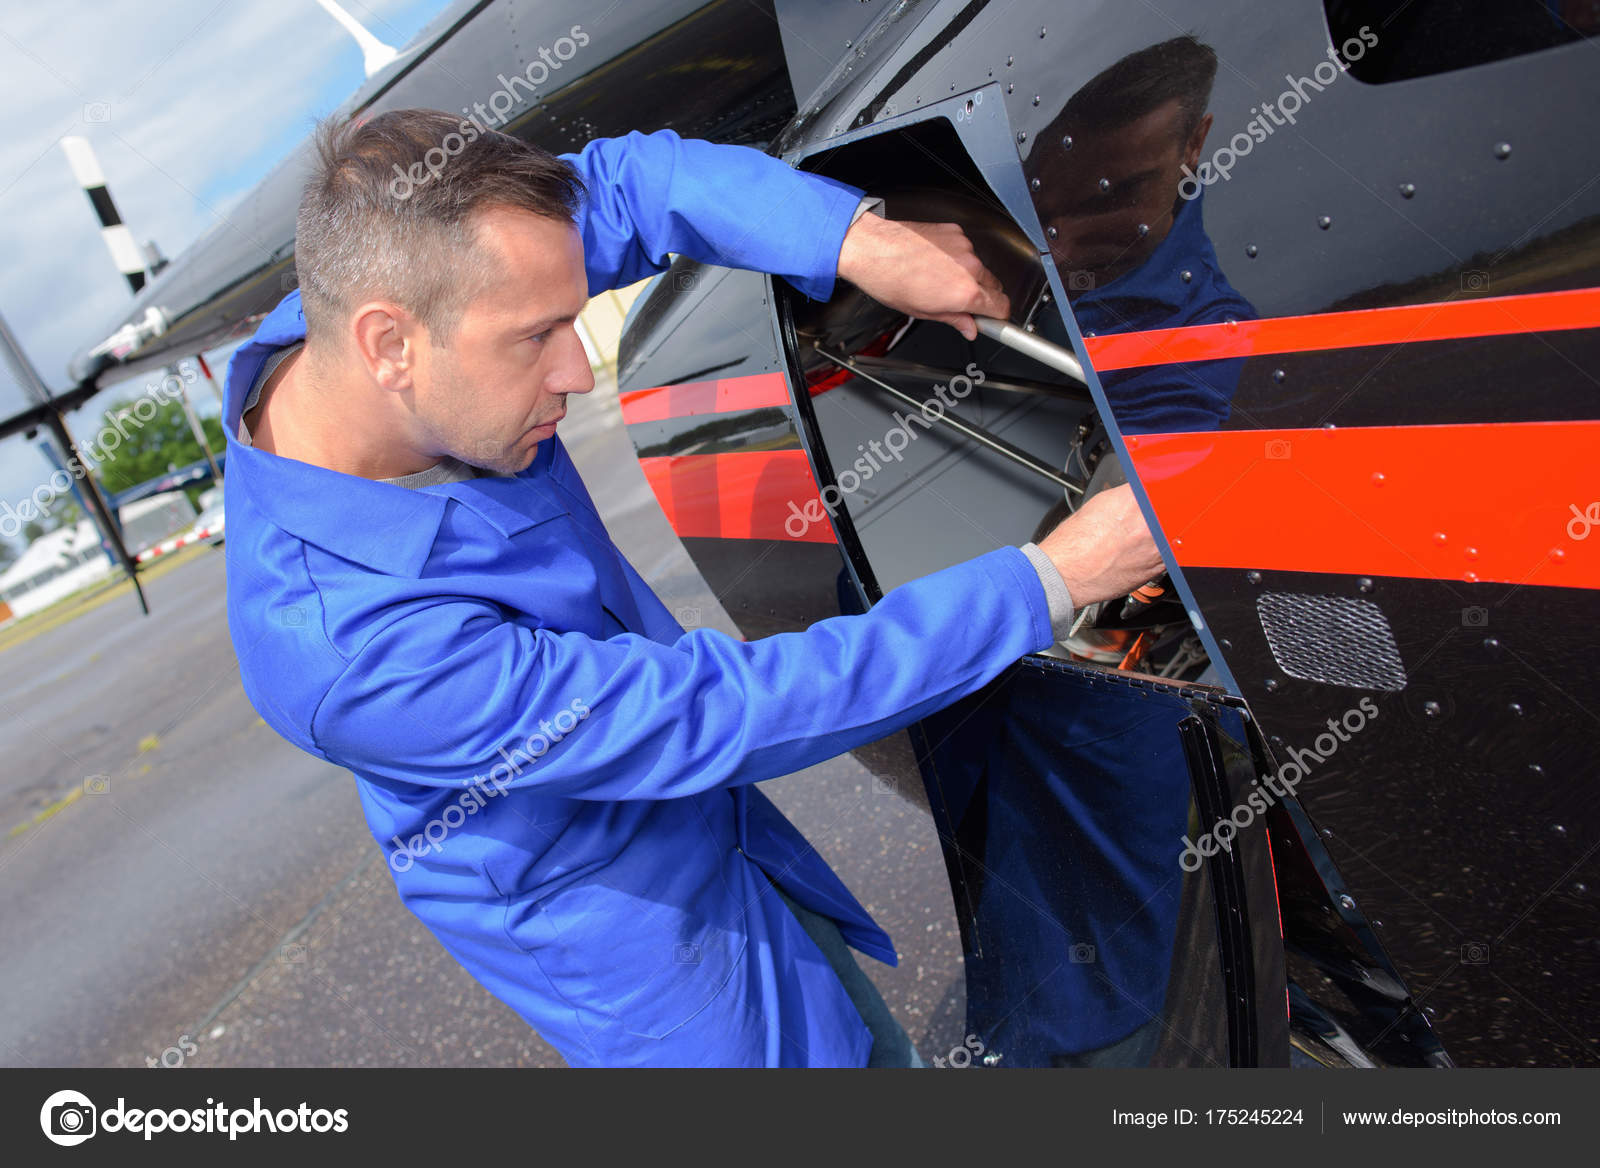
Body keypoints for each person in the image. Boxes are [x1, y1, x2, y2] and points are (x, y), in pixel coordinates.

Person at [222, 109, 1162, 1067]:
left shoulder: (385, 302)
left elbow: (633, 182)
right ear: (389, 348)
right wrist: (1051, 578)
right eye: (540, 335)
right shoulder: (346, 654)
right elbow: (718, 713)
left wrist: (855, 238)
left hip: (711, 817)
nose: (578, 372)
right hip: (638, 937)